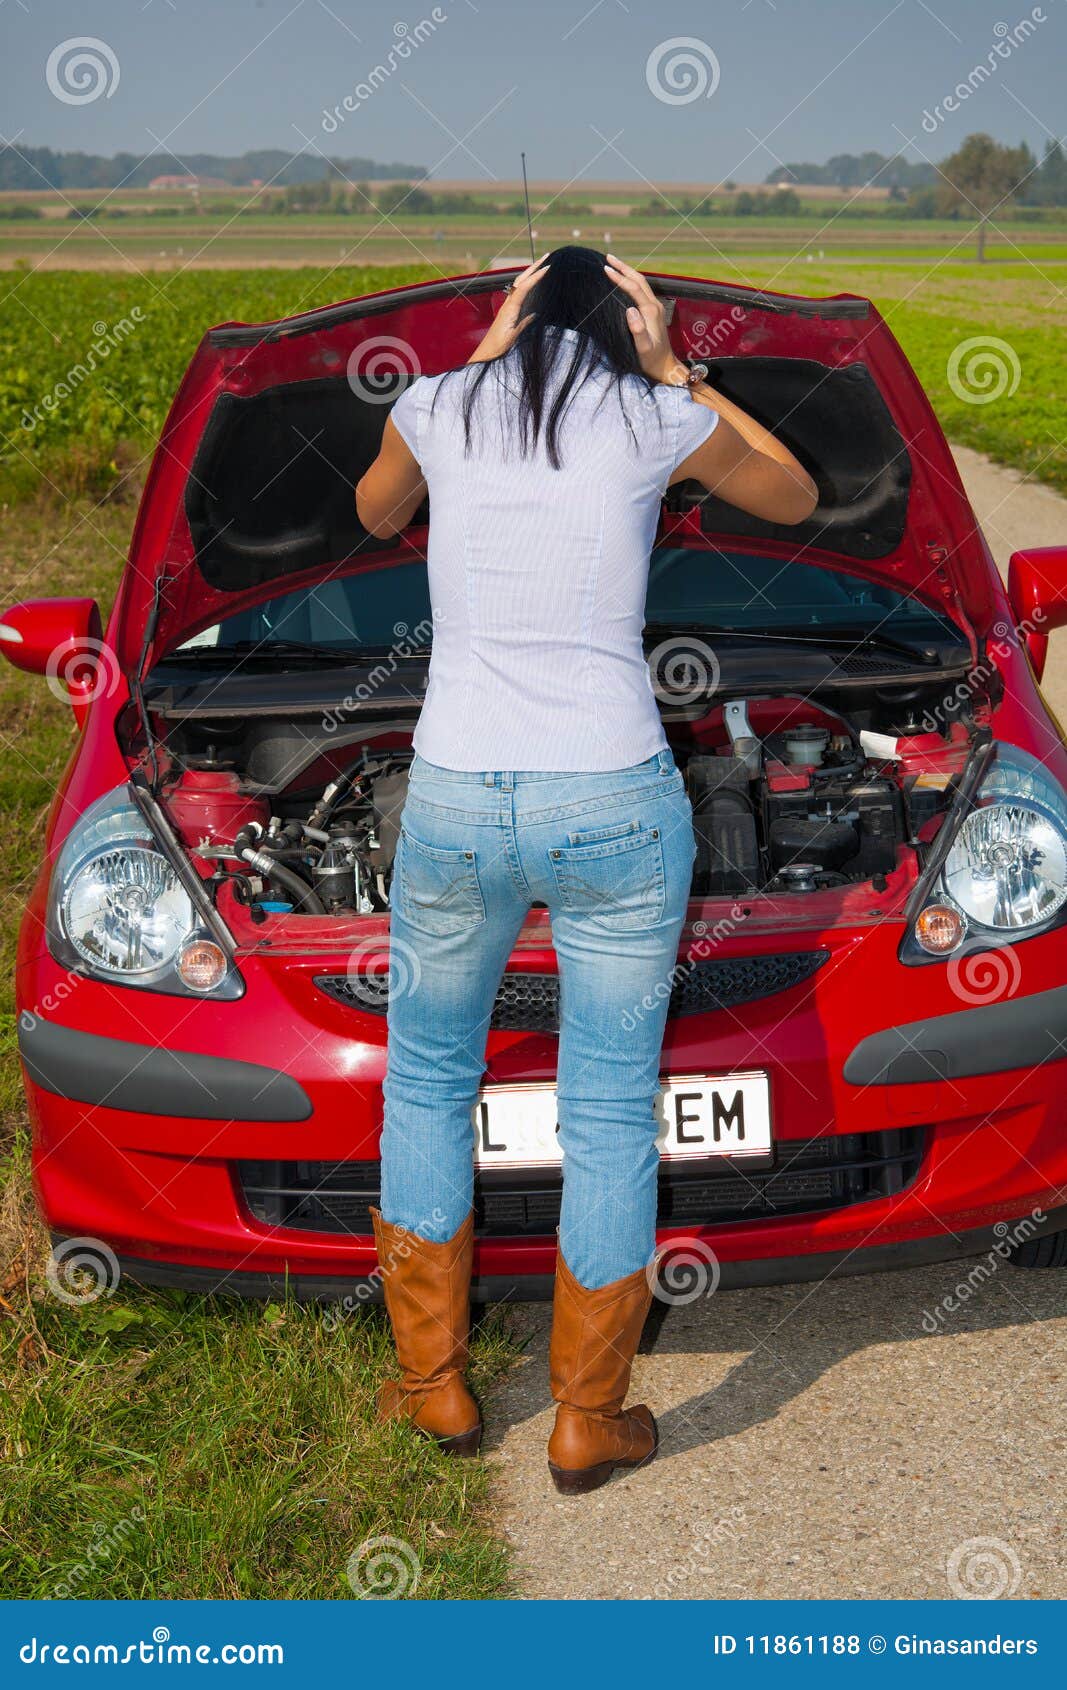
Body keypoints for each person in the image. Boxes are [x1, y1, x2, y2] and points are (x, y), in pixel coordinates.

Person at [355, 247, 817, 1494]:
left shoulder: (437, 407)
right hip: (613, 798)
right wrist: (680, 367)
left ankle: (433, 1385)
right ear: (631, 326)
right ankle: (585, 1416)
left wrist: (479, 360)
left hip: (453, 797)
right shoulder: (655, 416)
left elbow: (372, 514)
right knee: (608, 1105)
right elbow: (790, 497)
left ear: (511, 315)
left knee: (427, 1081)